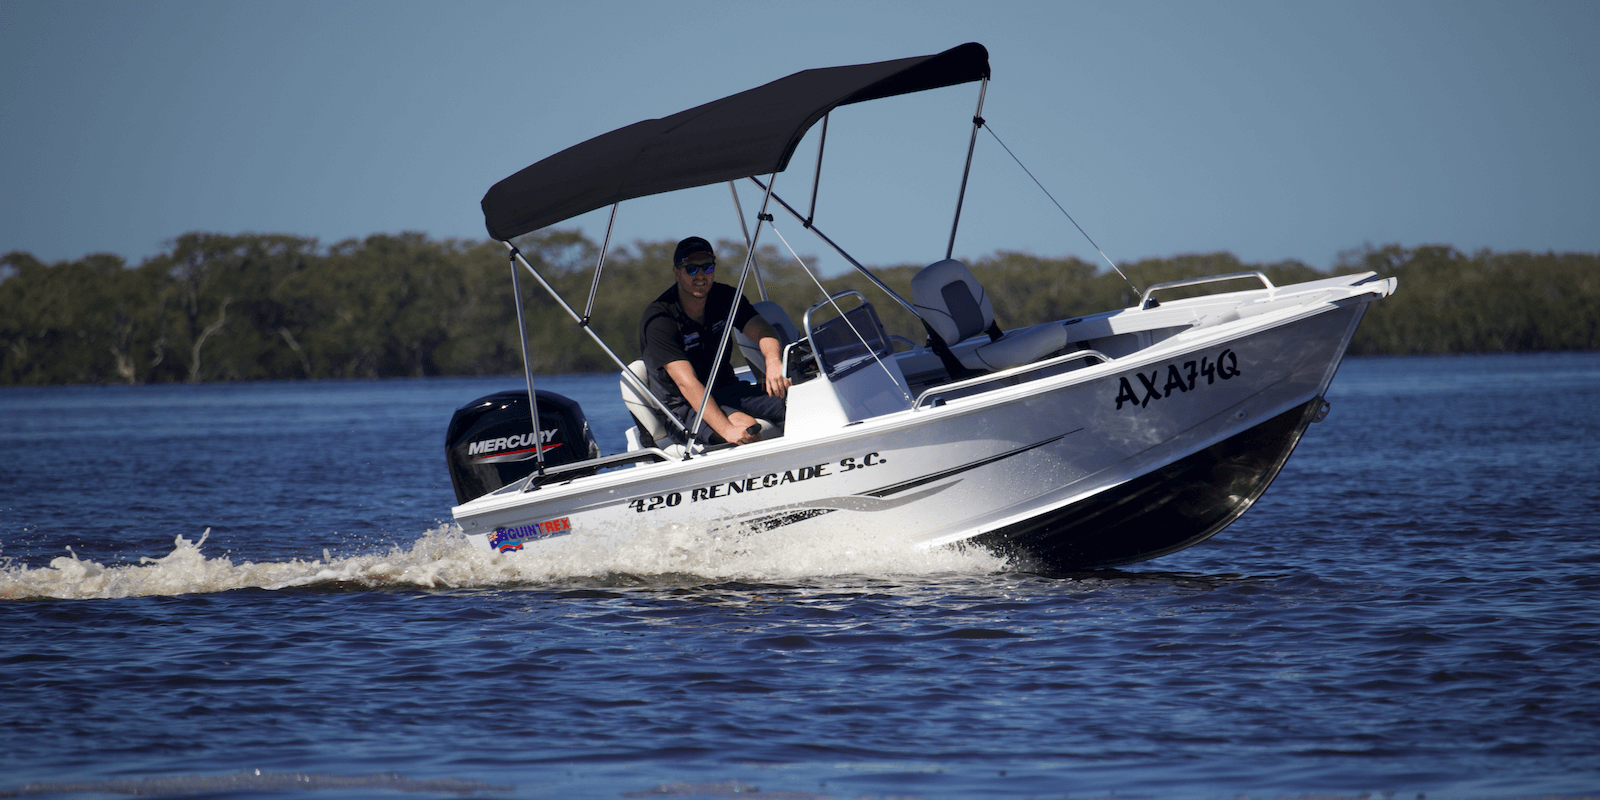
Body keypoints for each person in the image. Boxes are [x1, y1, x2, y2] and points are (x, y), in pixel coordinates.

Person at [639, 236, 789, 446]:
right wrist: (727, 430)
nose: (701, 275)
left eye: (707, 267)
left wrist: (772, 361)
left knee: (796, 401)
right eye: (691, 268)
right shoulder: (660, 319)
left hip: (729, 390)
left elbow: (763, 330)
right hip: (682, 407)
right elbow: (686, 383)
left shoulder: (725, 297)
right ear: (677, 272)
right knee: (747, 429)